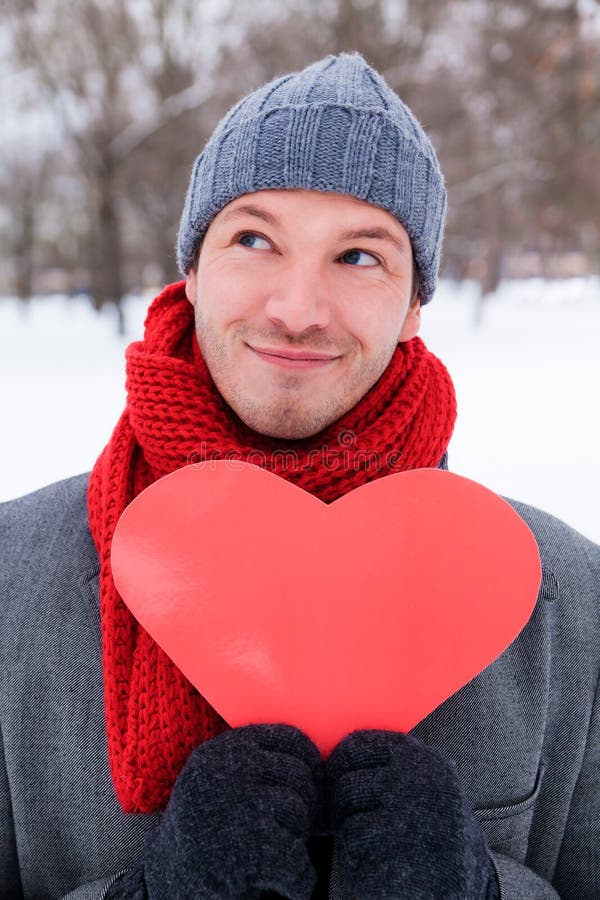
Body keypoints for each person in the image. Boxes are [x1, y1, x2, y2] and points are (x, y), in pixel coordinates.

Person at [0, 52, 598, 900]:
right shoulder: (8, 581)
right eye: (253, 239)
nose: (298, 308)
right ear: (194, 270)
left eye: (360, 256)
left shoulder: (567, 601)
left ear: (414, 303)